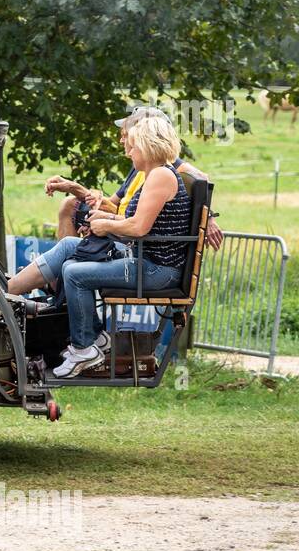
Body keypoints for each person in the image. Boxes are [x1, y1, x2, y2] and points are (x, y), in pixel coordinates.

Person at [7, 106, 220, 298]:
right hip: (127, 234)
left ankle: (39, 290)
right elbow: (114, 204)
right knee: (69, 211)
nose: (123, 140)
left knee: (72, 263)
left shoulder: (167, 167)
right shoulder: (140, 167)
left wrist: (207, 217)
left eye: (127, 133)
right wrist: (78, 191)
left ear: (145, 133)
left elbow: (201, 180)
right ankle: (16, 290)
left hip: (139, 246)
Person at [53, 113, 194, 377]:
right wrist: (107, 217)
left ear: (149, 145)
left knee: (74, 273)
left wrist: (106, 225)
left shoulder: (161, 176)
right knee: (71, 262)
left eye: (134, 145)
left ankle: (84, 348)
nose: (129, 152)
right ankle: (94, 338)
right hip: (148, 263)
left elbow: (139, 227)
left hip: (157, 271)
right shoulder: (155, 174)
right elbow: (136, 220)